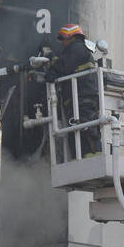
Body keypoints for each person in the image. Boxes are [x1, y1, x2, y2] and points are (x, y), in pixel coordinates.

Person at [47, 23, 101, 157]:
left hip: (82, 99)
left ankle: (92, 158)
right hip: (80, 99)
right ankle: (85, 157)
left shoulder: (77, 48)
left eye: (63, 39)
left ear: (70, 37)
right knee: (78, 130)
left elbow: (64, 65)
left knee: (85, 130)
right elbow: (67, 69)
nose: (62, 43)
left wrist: (51, 57)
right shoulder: (79, 50)